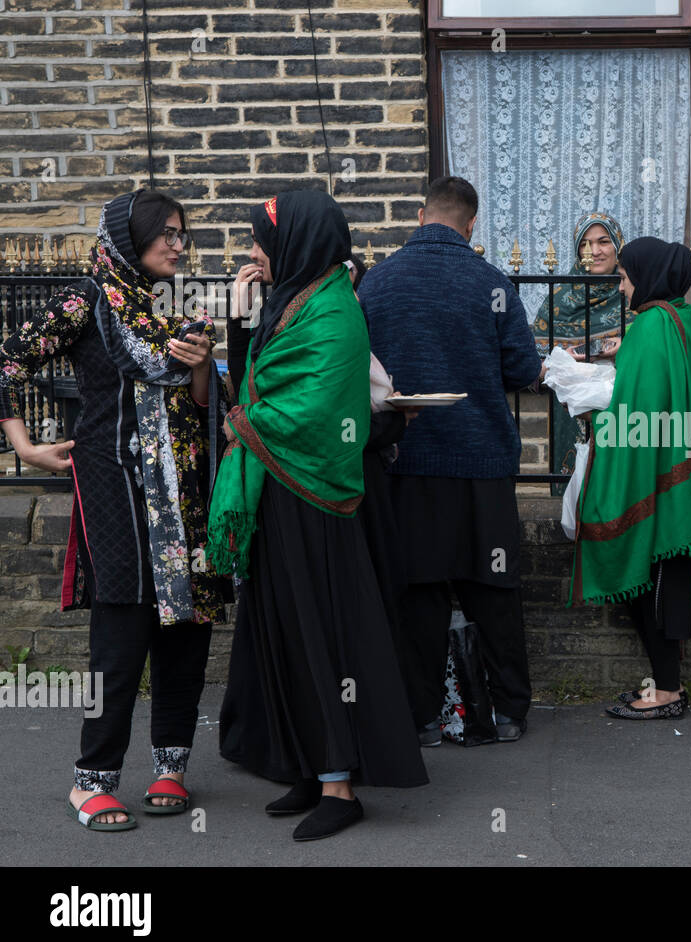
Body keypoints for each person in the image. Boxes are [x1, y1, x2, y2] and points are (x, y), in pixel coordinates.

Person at [0, 189, 225, 830]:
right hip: (116, 488)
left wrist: (204, 365)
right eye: (169, 235)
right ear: (133, 238)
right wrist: (26, 446)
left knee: (186, 629)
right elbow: (8, 359)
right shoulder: (87, 299)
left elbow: (202, 403)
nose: (179, 246)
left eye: (184, 235)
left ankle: (171, 766)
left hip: (184, 492)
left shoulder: (177, 305)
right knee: (122, 638)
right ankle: (91, 779)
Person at [209, 190, 428, 842]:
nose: (253, 253)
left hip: (316, 503)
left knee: (322, 634)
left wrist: (244, 423)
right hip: (277, 496)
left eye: (261, 241)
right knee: (279, 632)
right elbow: (249, 378)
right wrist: (242, 320)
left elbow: (311, 413)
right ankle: (304, 763)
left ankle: (340, 783)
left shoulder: (334, 313)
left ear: (297, 242)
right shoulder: (290, 301)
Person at [359, 176, 541, 744]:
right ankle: (508, 711)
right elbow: (522, 369)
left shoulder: (376, 284)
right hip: (481, 460)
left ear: (419, 215)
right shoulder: (492, 283)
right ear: (471, 224)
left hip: (407, 461)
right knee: (494, 589)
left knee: (419, 596)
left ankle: (424, 717)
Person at [571, 237, 691, 719]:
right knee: (668, 578)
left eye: (624, 275)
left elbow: (635, 408)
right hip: (675, 470)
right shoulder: (678, 316)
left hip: (651, 471)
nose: (620, 286)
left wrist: (596, 418)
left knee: (651, 577)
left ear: (647, 275)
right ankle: (667, 683)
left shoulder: (651, 325)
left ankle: (667, 692)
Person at [532, 211, 627, 492]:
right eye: (585, 243)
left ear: (618, 245)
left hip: (622, 408)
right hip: (569, 413)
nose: (594, 251)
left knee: (619, 493)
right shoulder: (559, 298)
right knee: (575, 491)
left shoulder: (632, 294)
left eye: (603, 241)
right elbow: (535, 358)